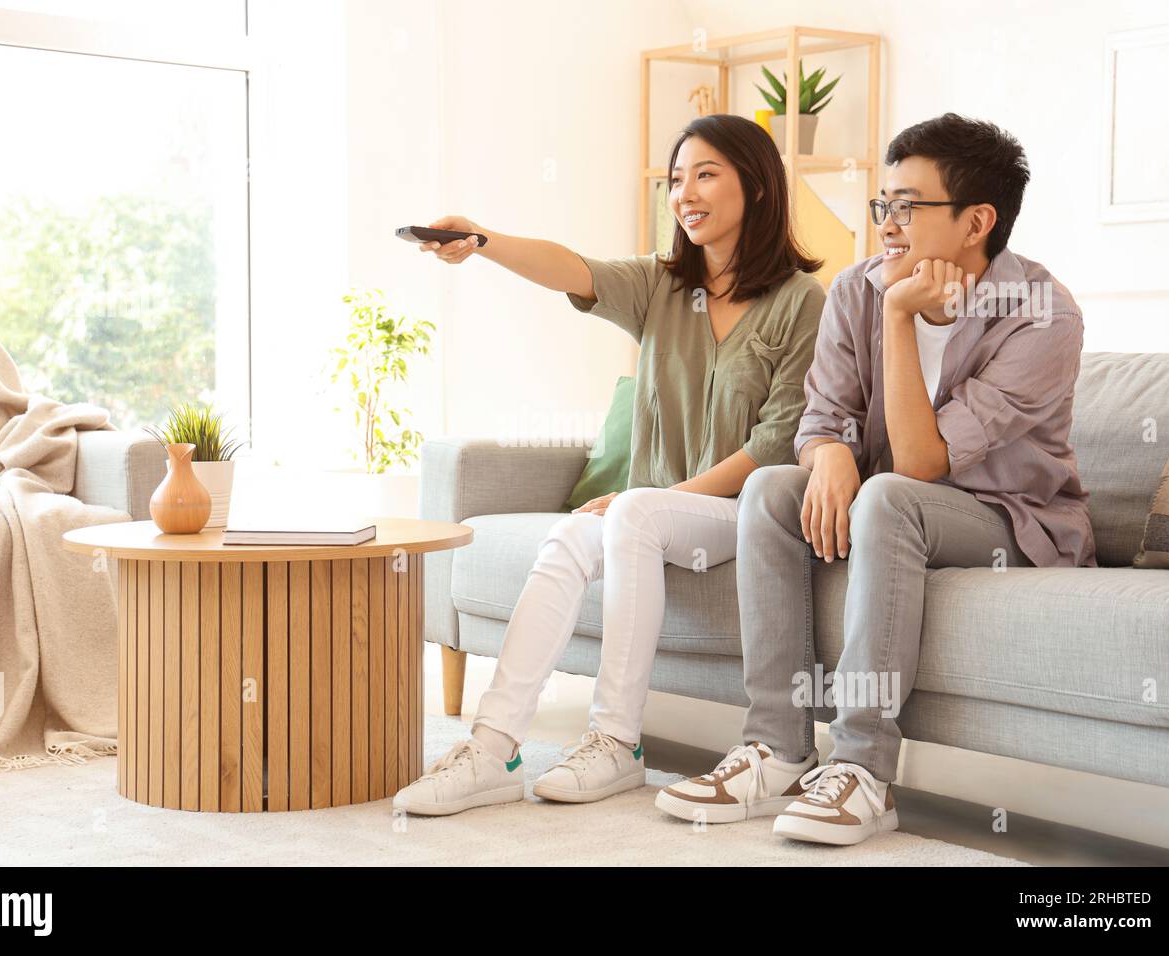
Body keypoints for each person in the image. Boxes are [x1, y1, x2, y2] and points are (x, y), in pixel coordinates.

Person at [658, 113, 1094, 845]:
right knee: (769, 490)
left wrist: (898, 315)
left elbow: (923, 465)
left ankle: (862, 769)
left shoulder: (1042, 316)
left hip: (1005, 518)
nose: (887, 223)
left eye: (908, 206)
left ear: (976, 221)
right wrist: (826, 449)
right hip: (893, 502)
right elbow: (822, 413)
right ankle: (776, 747)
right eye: (882, 203)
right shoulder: (855, 286)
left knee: (890, 494)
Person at [393, 113, 826, 816]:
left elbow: (776, 445)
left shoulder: (802, 302)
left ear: (758, 186)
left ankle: (616, 742)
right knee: (566, 536)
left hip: (744, 513)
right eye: (676, 178)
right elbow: (573, 267)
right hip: (653, 514)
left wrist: (648, 499)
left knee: (632, 511)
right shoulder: (662, 287)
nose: (685, 192)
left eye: (706, 174)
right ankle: (493, 746)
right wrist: (482, 241)